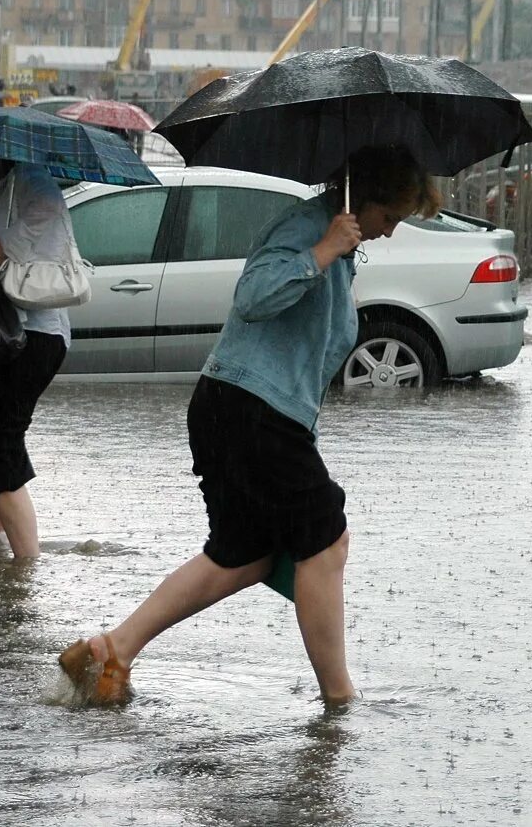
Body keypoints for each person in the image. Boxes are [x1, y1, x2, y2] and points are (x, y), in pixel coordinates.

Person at [58, 146, 441, 708]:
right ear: (369, 198)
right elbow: (253, 297)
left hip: (239, 409)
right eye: (390, 219)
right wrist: (321, 252)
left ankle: (111, 649)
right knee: (325, 536)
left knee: (244, 553)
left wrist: (334, 252)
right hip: (248, 410)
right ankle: (339, 702)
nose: (388, 233)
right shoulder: (310, 228)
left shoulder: (336, 237)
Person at [0, 156, 76, 561]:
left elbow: (47, 209)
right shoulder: (2, 189)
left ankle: (25, 567)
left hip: (35, 337)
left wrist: (2, 247)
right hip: (12, 334)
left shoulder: (31, 177)